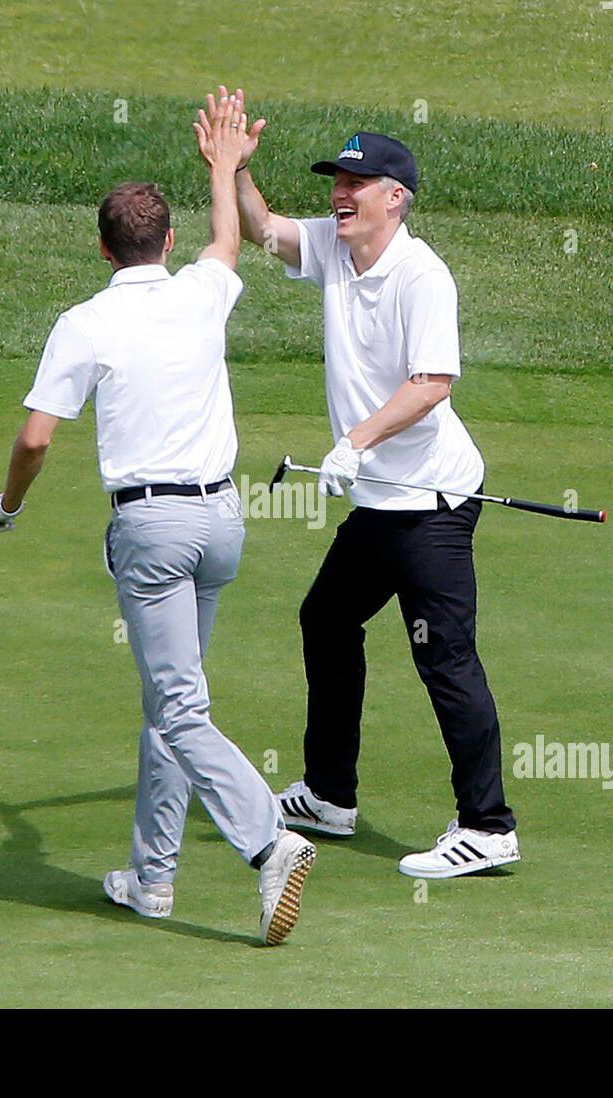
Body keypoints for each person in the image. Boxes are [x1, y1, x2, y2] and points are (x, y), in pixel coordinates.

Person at [0, 92, 315, 943]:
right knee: (173, 700)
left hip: (154, 535)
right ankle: (153, 878)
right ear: (165, 245)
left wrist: (6, 506)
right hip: (222, 528)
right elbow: (231, 240)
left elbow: (33, 438)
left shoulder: (85, 322)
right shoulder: (202, 291)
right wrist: (222, 166)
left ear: (103, 248)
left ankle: (268, 840)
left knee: (178, 709)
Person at [203, 86, 519, 878]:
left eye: (355, 186)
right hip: (380, 500)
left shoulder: (422, 276)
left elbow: (432, 382)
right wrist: (237, 170)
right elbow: (264, 230)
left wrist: (353, 441)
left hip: (433, 504)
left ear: (395, 199)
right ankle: (330, 795)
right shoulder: (337, 248)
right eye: (335, 184)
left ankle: (488, 825)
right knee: (326, 618)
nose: (339, 196)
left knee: (443, 656)